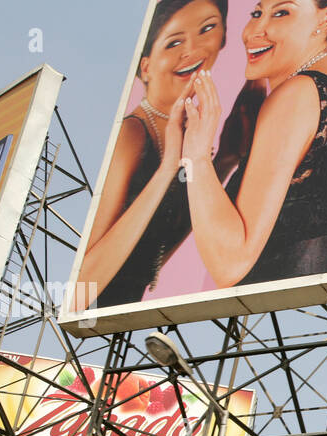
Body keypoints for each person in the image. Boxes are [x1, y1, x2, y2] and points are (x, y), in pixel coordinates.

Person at [179, 0, 327, 287]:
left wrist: (196, 155)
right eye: (257, 13)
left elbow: (229, 264)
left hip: (266, 316)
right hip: (306, 312)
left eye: (282, 12)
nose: (255, 31)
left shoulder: (295, 95)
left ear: (326, 17)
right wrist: (226, 159)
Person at [77, 0, 230, 309]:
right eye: (174, 42)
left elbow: (150, 254)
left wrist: (226, 158)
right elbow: (81, 291)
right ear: (145, 66)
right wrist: (167, 169)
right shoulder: (131, 135)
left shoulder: (189, 133)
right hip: (82, 332)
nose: (193, 50)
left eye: (208, 28)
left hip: (123, 323)